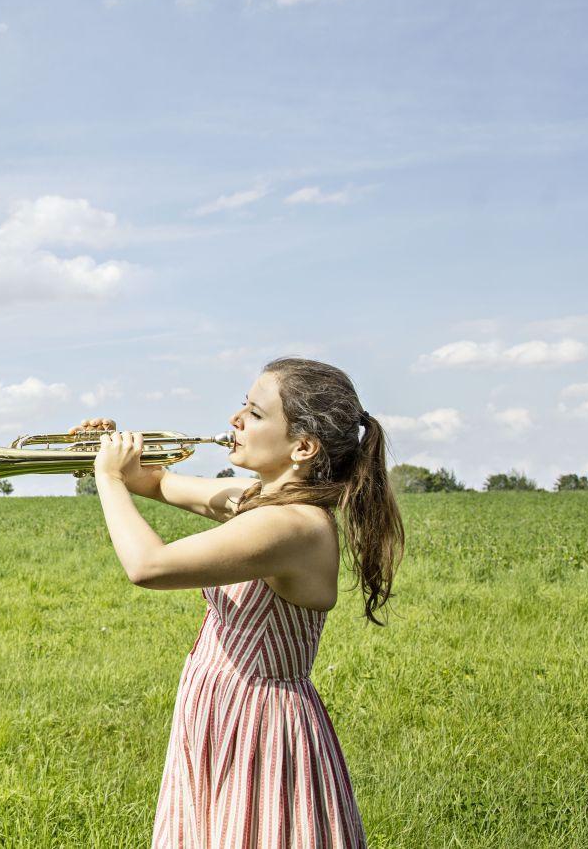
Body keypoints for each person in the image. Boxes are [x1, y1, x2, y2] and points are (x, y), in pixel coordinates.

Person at [90, 357, 404, 849]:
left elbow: (148, 566)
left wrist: (106, 478)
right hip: (221, 707)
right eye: (243, 405)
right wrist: (110, 452)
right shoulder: (256, 499)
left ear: (303, 446)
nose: (235, 420)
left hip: (259, 726)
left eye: (255, 414)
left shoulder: (293, 525)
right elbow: (155, 482)